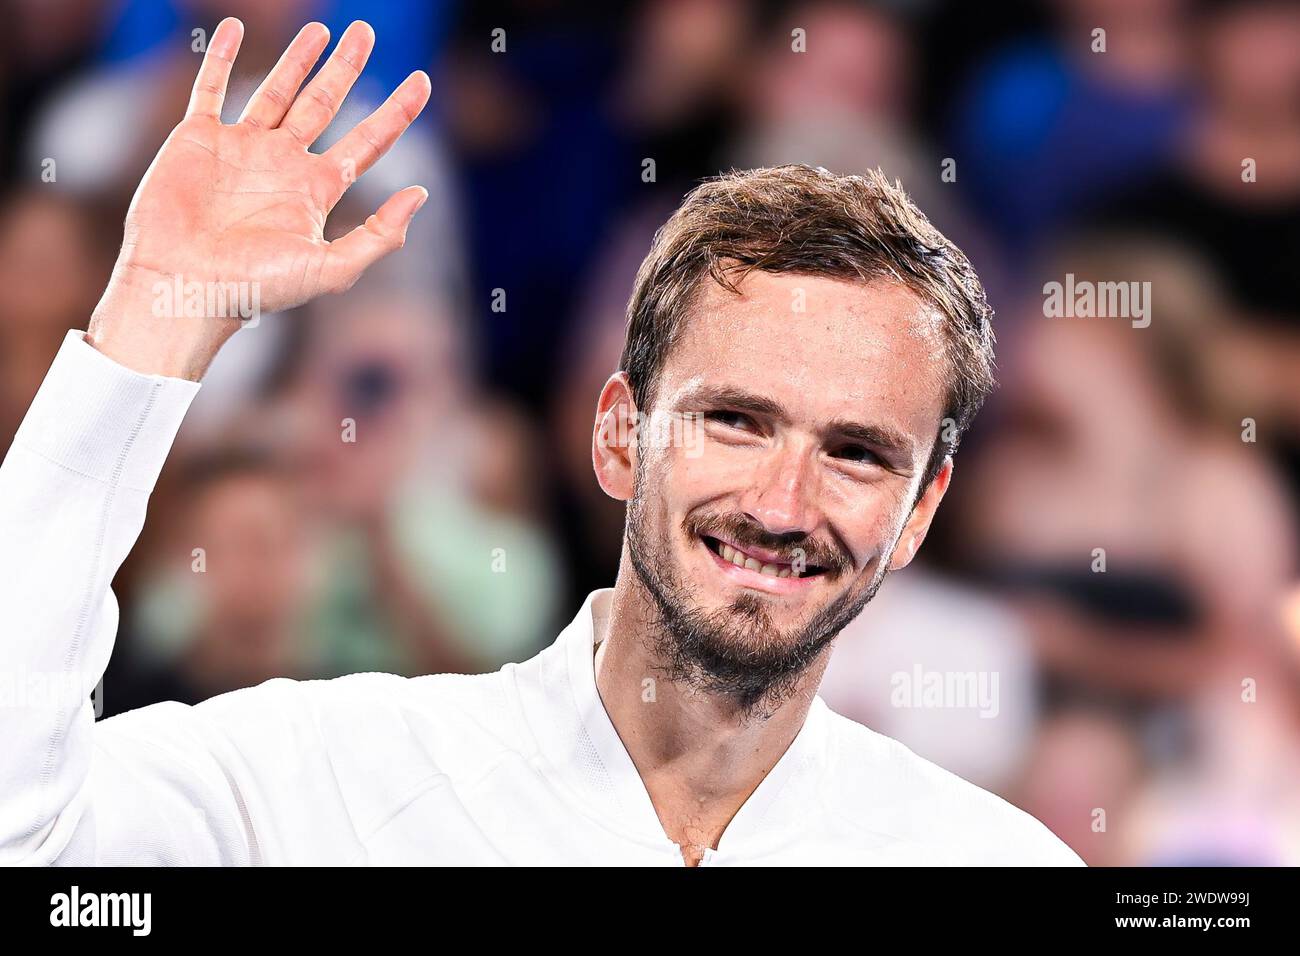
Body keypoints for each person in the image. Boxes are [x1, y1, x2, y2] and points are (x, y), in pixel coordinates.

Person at [0, 18, 1082, 866]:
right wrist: (149, 318)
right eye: (735, 419)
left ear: (920, 510)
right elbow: (27, 837)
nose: (783, 499)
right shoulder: (324, 777)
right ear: (618, 435)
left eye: (855, 451)